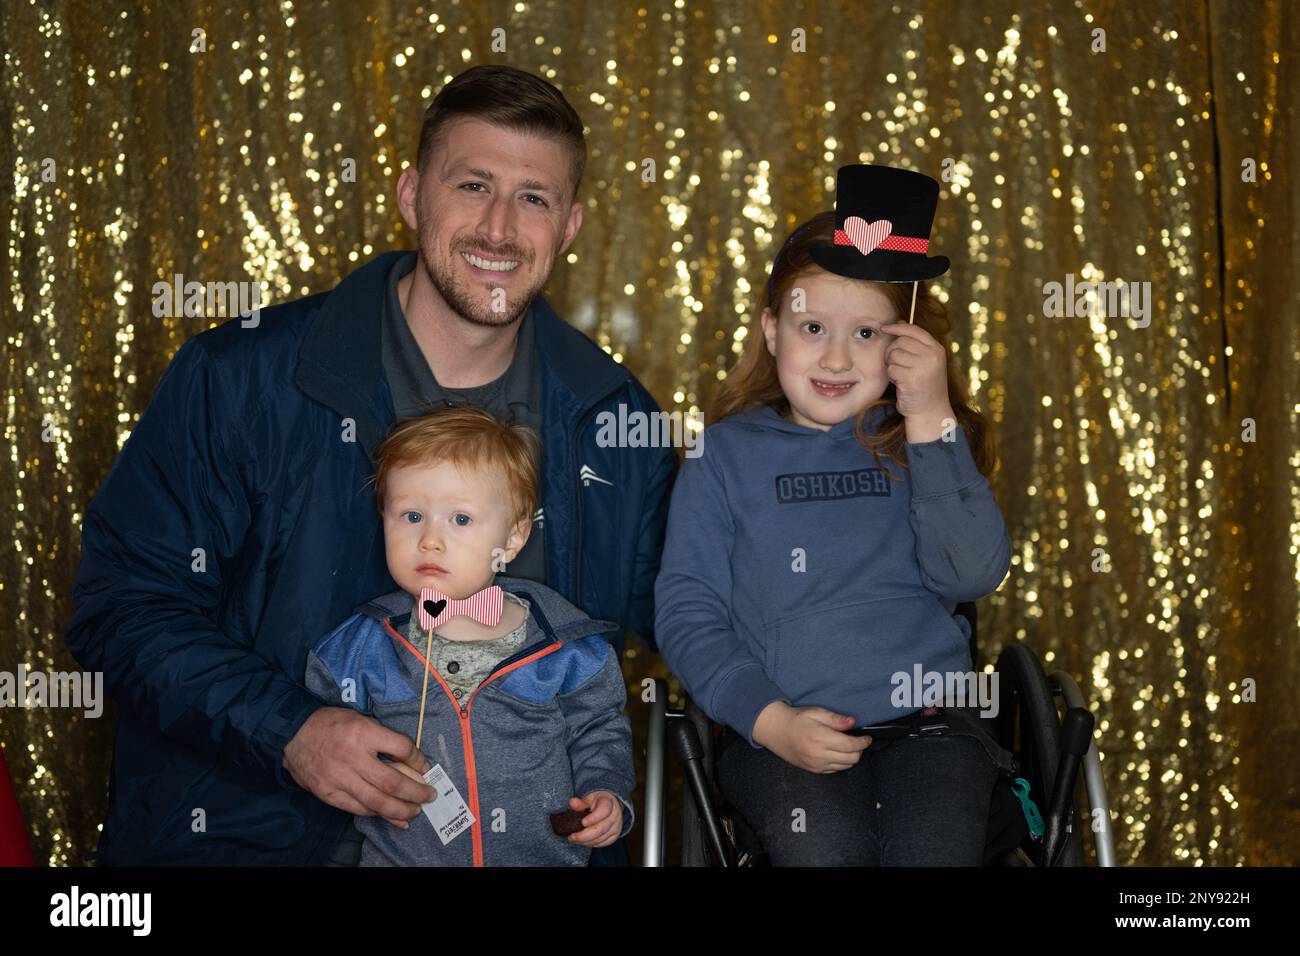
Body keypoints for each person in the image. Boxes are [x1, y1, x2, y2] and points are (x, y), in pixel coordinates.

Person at [64, 65, 674, 866]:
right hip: (256, 841)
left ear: (569, 226)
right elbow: (123, 605)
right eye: (473, 185)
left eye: (533, 198)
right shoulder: (241, 378)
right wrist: (290, 731)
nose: (498, 228)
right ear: (411, 194)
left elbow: (709, 612)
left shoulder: (616, 421)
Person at [654, 165, 1014, 866]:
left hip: (931, 729)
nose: (836, 357)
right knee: (823, 847)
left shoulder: (920, 443)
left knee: (933, 849)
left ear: (905, 343)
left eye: (868, 334)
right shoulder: (724, 455)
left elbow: (972, 574)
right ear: (770, 327)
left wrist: (933, 419)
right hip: (782, 729)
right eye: (812, 326)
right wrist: (769, 720)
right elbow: (688, 609)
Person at [305, 406, 634, 866]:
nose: (430, 540)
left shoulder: (564, 647)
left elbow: (599, 729)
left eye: (460, 520)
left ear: (515, 537)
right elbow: (322, 741)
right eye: (411, 515)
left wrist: (606, 790)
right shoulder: (360, 648)